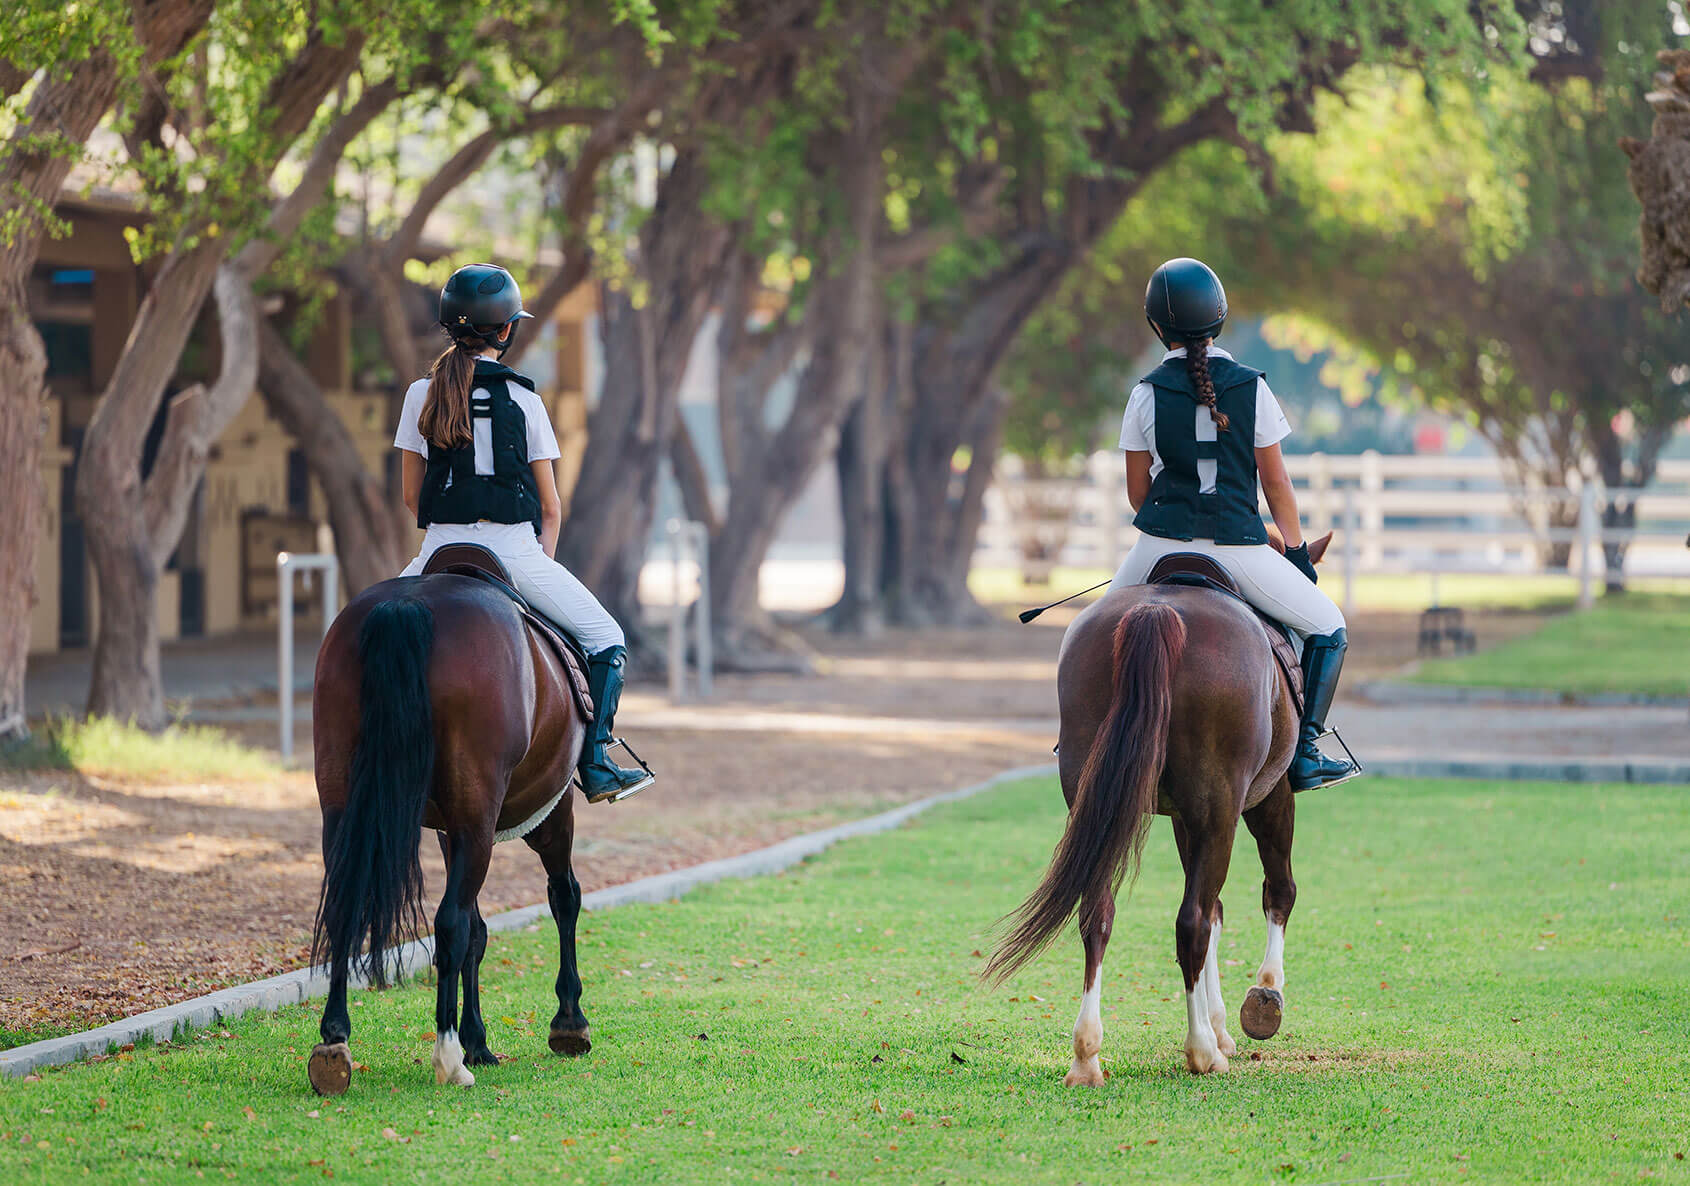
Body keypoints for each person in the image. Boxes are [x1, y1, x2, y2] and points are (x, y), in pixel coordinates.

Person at [393, 262, 653, 803]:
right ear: (507, 330)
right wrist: (536, 573)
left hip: (438, 549)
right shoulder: (526, 400)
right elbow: (551, 509)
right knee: (606, 637)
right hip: (514, 553)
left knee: (377, 629)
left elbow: (411, 497)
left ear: (448, 325)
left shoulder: (420, 394)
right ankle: (598, 763)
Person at [1110, 257, 1356, 790]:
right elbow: (1276, 485)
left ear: (1157, 326)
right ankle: (1307, 752)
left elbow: (1137, 493)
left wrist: (1174, 518)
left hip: (1156, 547)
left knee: (1096, 631)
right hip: (1239, 550)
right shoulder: (1253, 388)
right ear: (1219, 318)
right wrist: (1294, 552)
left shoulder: (1145, 393)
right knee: (1329, 626)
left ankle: (1082, 735)